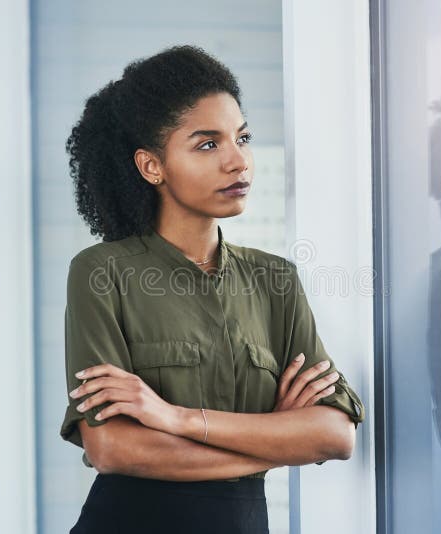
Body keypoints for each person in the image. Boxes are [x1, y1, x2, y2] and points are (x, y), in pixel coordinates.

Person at [60, 44, 366, 533]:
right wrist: (273, 444)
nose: (238, 162)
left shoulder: (276, 280)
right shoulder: (101, 272)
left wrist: (174, 418)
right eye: (208, 144)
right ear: (151, 166)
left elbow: (334, 434)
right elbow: (112, 448)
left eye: (242, 138)